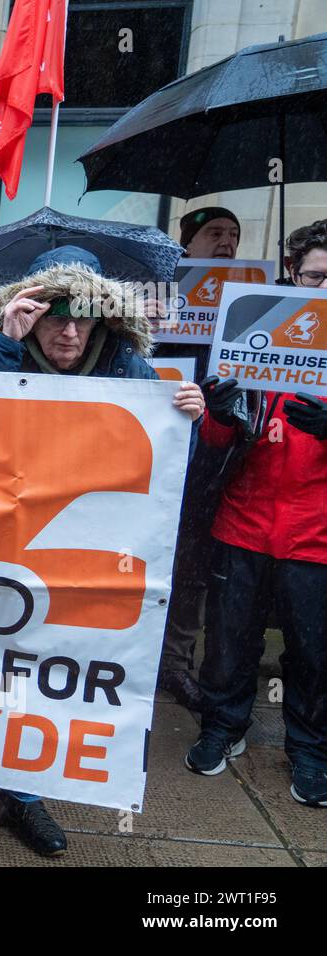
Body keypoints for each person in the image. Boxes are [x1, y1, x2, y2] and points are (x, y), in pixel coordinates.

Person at [0, 246, 204, 856]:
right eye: (54, 317)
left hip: (78, 552)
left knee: (48, 674)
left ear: (103, 321)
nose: (68, 331)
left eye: (82, 318)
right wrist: (3, 344)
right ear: (31, 316)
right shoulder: (1, 352)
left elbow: (165, 473)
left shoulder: (131, 374)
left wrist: (188, 424)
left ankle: (25, 796)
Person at [184, 218, 327, 807]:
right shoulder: (258, 325)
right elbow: (219, 443)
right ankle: (223, 725)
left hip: (316, 536)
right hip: (243, 523)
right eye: (316, 274)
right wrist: (218, 411)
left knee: (314, 651)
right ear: (294, 273)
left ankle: (311, 747)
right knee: (229, 640)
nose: (325, 286)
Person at [153, 207, 245, 710]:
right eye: (215, 233)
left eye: (233, 235)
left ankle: (177, 664)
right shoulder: (162, 294)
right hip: (160, 448)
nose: (226, 242)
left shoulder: (255, 299)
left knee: (192, 568)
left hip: (215, 457)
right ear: (188, 243)